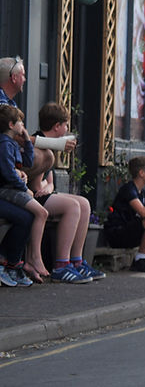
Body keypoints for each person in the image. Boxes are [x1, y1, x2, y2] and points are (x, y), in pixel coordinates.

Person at [25, 102, 104, 282]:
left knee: (84, 203)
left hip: (45, 193)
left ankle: (76, 261)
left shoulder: (48, 145)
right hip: (34, 197)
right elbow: (34, 180)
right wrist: (43, 186)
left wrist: (48, 186)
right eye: (66, 125)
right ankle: (61, 266)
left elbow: (50, 180)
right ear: (57, 126)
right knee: (73, 206)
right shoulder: (37, 143)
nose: (68, 129)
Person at [0, 103, 54, 282]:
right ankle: (15, 262)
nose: (24, 127)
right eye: (20, 123)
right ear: (10, 125)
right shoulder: (4, 144)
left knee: (28, 217)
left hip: (13, 189)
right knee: (38, 213)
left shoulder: (12, 144)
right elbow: (8, 173)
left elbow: (28, 163)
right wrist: (25, 188)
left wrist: (25, 141)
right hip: (7, 191)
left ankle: (11, 262)